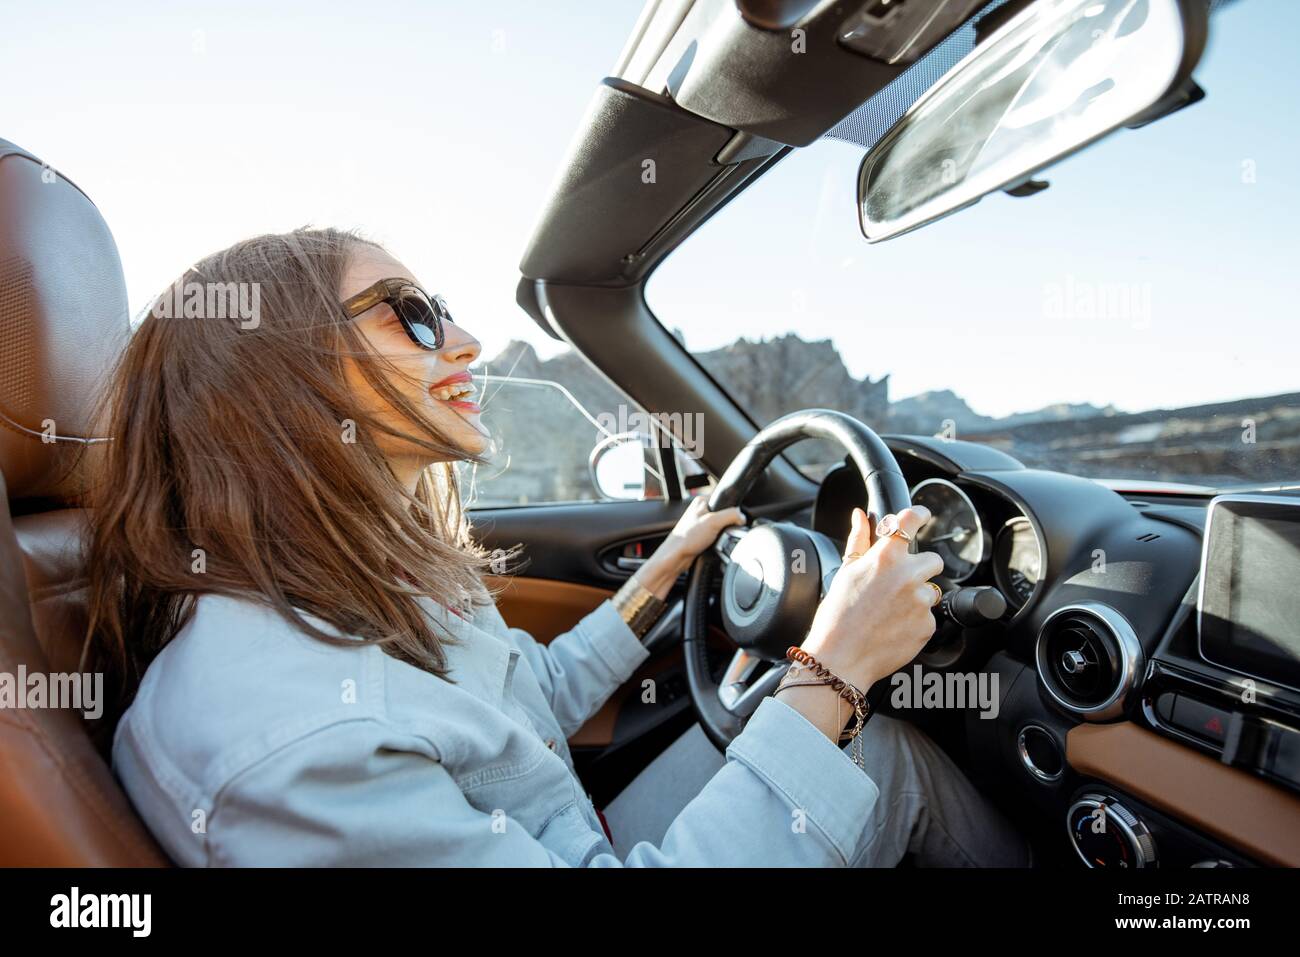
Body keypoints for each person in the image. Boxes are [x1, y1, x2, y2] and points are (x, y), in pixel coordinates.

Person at [86, 227, 1028, 867]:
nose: (463, 339)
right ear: (277, 384)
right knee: (878, 752)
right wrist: (834, 669)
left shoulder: (353, 579)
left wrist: (660, 574)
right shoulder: (296, 743)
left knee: (866, 750)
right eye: (407, 313)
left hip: (571, 835)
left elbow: (525, 694)